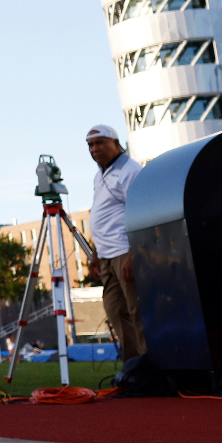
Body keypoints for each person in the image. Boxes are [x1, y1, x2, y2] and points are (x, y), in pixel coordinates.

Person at [86, 124, 146, 360]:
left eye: (100, 143)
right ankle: (133, 363)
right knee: (115, 309)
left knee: (136, 309)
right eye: (90, 145)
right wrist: (95, 253)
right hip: (107, 255)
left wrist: (133, 254)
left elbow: (138, 211)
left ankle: (151, 364)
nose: (94, 149)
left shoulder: (130, 171)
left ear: (116, 143)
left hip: (124, 251)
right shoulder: (100, 175)